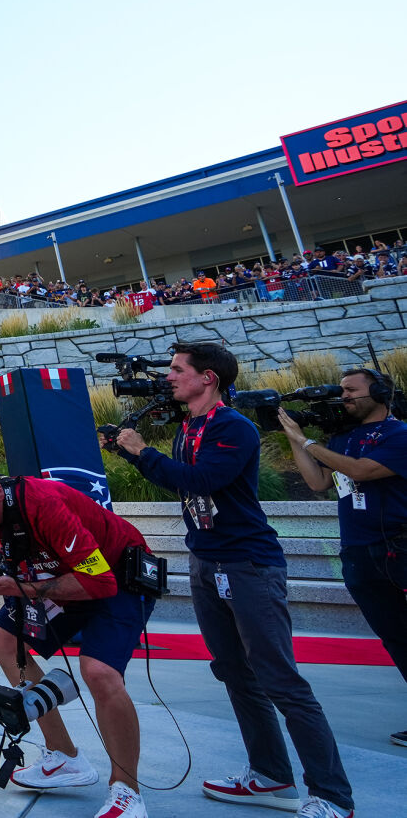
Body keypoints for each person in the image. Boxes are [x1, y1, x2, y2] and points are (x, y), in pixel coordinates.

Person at [113, 341, 353, 818]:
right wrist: (134, 455)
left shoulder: (232, 426)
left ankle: (332, 797)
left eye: (179, 370)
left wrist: (143, 450)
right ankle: (270, 775)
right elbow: (181, 479)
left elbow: (204, 481)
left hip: (248, 566)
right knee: (236, 675)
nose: (170, 377)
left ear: (209, 379)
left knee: (282, 682)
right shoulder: (190, 427)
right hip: (206, 562)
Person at [0, 458, 156, 818]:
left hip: (118, 575)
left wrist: (24, 587)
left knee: (99, 671)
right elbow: (10, 562)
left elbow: (101, 582)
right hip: (60, 577)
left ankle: (126, 791)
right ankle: (65, 757)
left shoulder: (42, 504)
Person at [278, 367, 407, 747]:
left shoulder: (398, 434)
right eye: (342, 391)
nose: (344, 396)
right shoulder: (344, 438)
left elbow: (362, 471)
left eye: (352, 390)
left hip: (398, 548)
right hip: (358, 552)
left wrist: (308, 443)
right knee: (396, 637)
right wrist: (293, 440)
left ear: (380, 392)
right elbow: (319, 483)